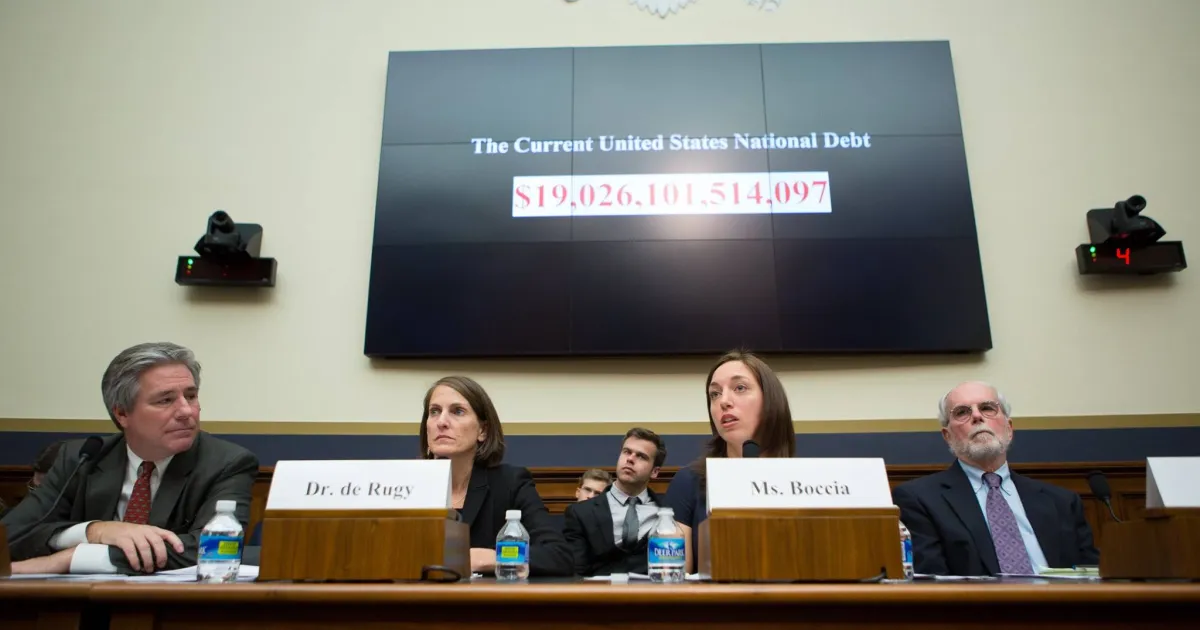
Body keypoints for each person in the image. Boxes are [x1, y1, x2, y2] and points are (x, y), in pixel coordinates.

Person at [1, 342, 259, 575]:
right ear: (123, 413)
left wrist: (74, 557)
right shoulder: (81, 457)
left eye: (191, 396)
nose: (185, 411)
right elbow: (11, 534)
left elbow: (211, 549)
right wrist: (95, 531)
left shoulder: (227, 462)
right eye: (165, 400)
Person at [891, 381, 1099, 576]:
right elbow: (933, 581)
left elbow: (1091, 573)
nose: (977, 417)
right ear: (947, 435)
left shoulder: (1062, 501)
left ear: (1009, 428)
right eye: (962, 412)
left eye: (988, 408)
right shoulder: (920, 499)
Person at [419, 375, 573, 577]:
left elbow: (558, 555)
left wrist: (494, 558)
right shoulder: (409, 484)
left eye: (457, 411)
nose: (441, 422)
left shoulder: (509, 482)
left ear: (483, 430)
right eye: (434, 411)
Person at [664, 350, 796, 572]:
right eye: (714, 394)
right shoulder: (688, 481)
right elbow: (672, 578)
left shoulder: (805, 480)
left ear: (770, 401)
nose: (723, 401)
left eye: (740, 388)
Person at [563, 428, 667, 576]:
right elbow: (575, 573)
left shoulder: (667, 514)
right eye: (626, 452)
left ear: (654, 471)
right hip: (598, 596)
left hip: (651, 596)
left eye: (641, 457)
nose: (630, 459)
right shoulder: (580, 513)